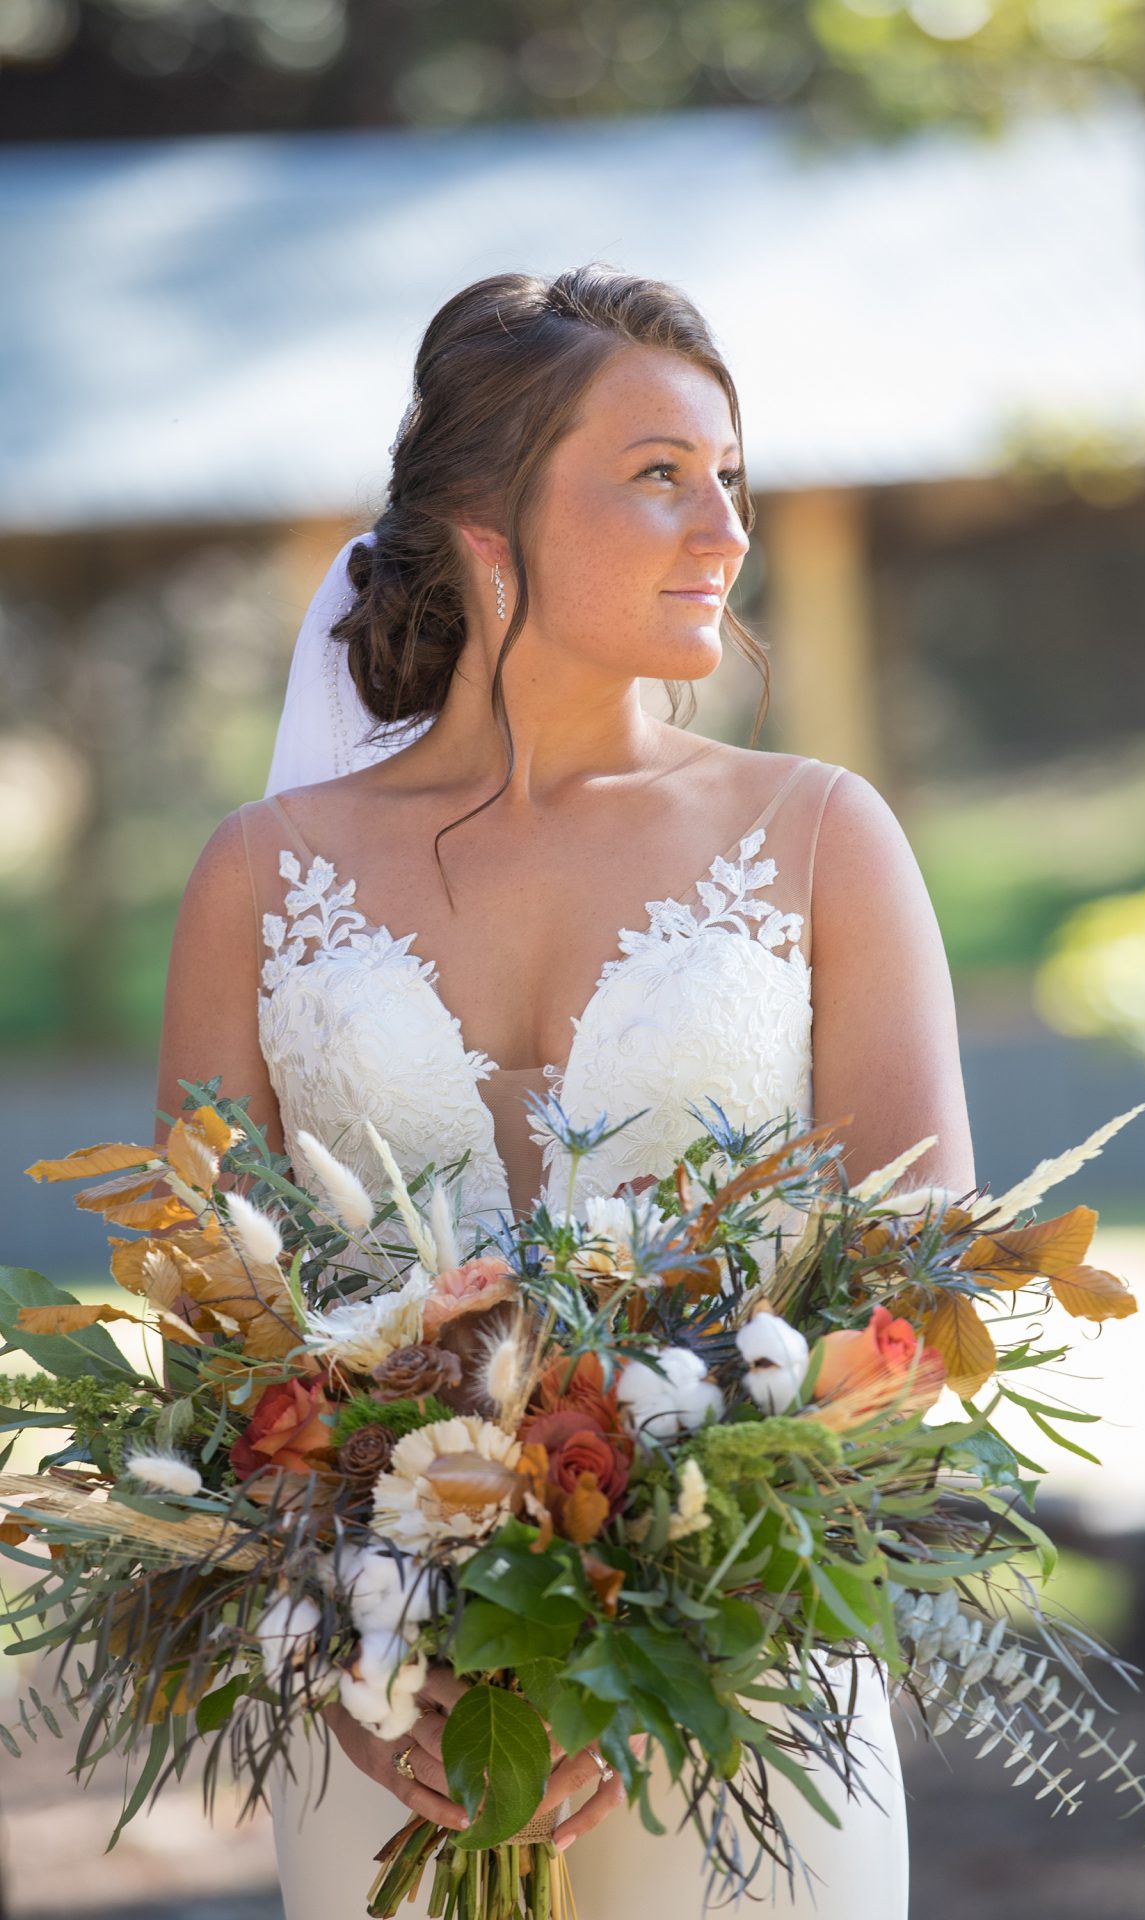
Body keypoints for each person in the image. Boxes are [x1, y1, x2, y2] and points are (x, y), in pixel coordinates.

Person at [155, 263, 974, 1918]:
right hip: (385, 1730)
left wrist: (663, 1604)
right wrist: (372, 1674)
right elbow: (210, 1343)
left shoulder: (820, 837)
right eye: (659, 474)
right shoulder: (260, 875)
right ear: (487, 522)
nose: (723, 531)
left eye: (729, 478)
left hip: (741, 1699)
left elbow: (920, 1307)